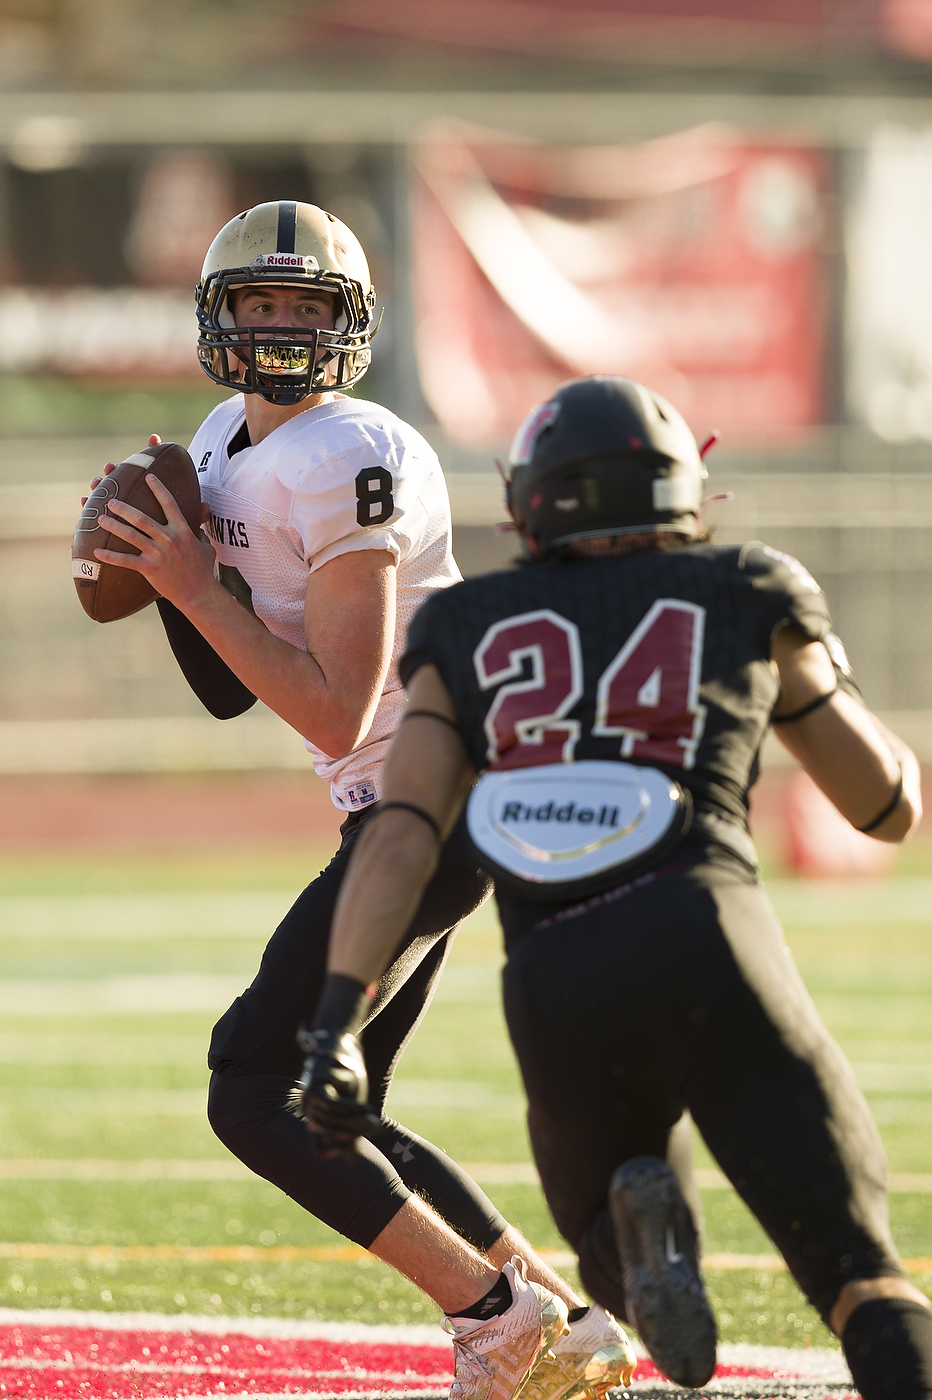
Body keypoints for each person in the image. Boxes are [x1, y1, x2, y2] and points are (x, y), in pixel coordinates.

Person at [86, 203, 636, 1400]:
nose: (280, 328)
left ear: (349, 324)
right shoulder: (225, 439)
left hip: (430, 793)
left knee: (254, 1081)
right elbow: (236, 691)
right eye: (259, 304)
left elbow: (334, 706)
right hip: (401, 802)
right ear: (217, 317)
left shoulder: (351, 450)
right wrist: (170, 565)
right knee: (339, 1108)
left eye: (305, 306)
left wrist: (191, 578)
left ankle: (497, 1322)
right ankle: (565, 1327)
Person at [300, 374, 932, 1399]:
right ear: (681, 487)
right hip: (708, 928)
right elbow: (883, 807)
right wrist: (817, 675)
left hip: (557, 968)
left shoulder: (469, 623)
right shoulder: (744, 587)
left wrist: (335, 1017)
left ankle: (641, 1238)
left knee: (604, 1253)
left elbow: (401, 832)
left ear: (533, 501)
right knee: (860, 1273)